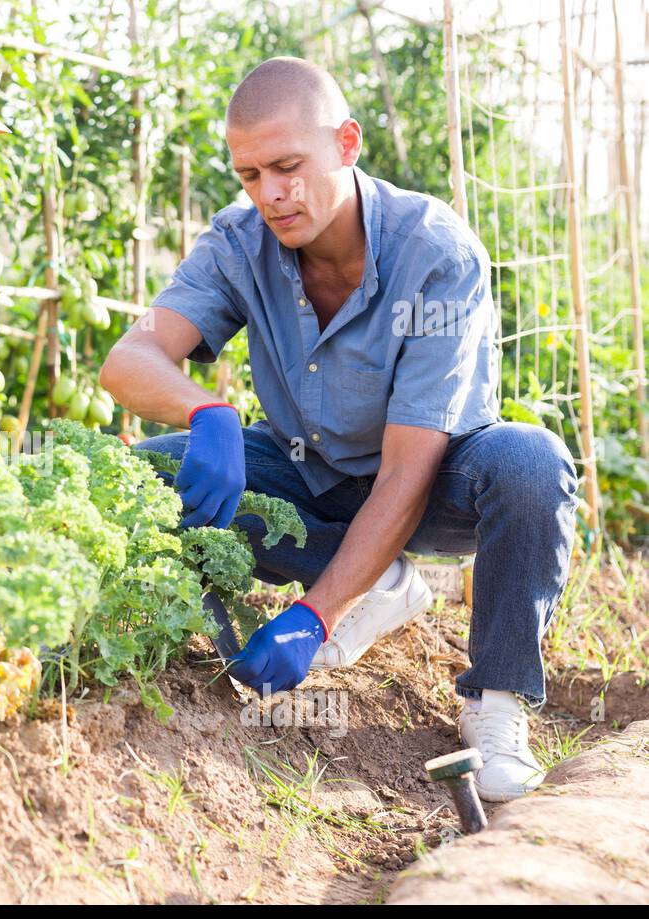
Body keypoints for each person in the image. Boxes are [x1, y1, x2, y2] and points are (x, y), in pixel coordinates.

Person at [99, 57, 580, 802]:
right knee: (139, 476)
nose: (271, 195)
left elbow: (407, 472)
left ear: (347, 143)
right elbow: (129, 359)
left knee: (530, 462)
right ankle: (377, 578)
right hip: (310, 470)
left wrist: (316, 615)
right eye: (250, 175)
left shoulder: (435, 255)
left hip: (437, 484)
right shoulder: (238, 245)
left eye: (288, 167)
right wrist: (208, 413)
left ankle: (496, 705)